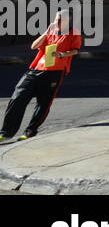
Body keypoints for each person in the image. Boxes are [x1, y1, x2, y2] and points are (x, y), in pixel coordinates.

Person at [1, 12, 82, 141]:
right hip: (36, 69)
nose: (58, 23)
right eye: (57, 20)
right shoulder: (50, 31)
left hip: (55, 71)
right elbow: (34, 46)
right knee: (17, 98)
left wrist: (61, 54)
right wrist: (45, 33)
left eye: (61, 20)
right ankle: (6, 132)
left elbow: (76, 50)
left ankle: (30, 131)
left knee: (43, 103)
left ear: (68, 21)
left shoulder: (74, 33)